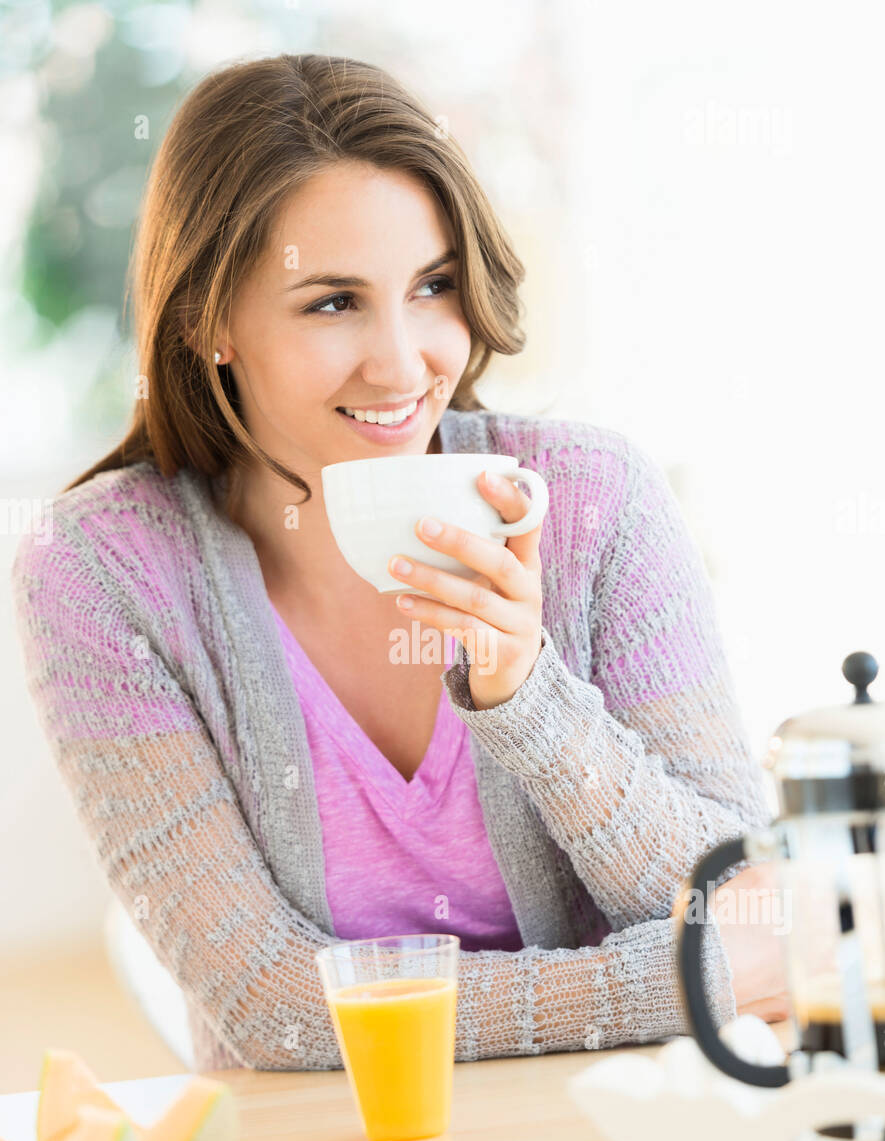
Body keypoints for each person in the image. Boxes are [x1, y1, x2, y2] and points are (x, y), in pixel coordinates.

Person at [12, 53, 789, 1072]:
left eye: (433, 287)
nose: (403, 360)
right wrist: (678, 983)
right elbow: (270, 1004)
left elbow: (742, 897)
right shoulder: (104, 574)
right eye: (332, 302)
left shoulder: (593, 503)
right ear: (207, 319)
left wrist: (527, 698)